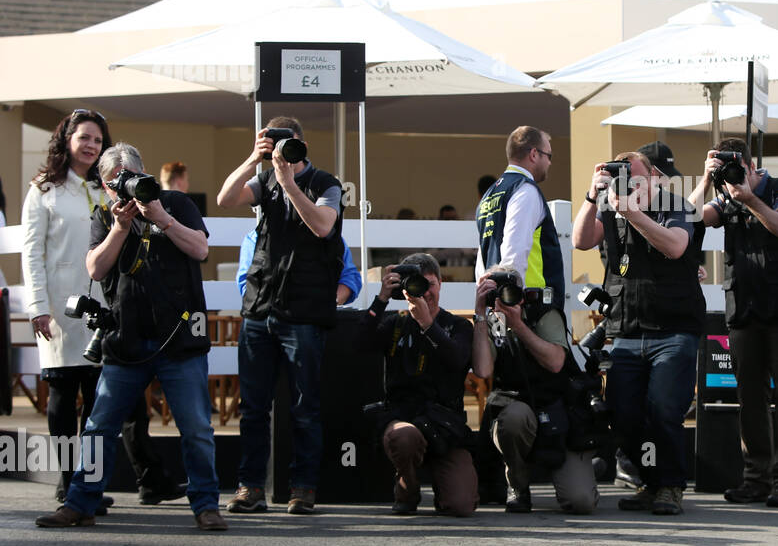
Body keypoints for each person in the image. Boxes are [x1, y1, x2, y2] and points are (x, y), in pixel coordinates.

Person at [36, 144, 225, 530]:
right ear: (105, 187)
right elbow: (96, 268)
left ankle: (206, 505)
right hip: (126, 339)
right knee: (98, 427)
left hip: (179, 339)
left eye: (131, 179)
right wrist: (120, 228)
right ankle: (81, 502)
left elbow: (201, 248)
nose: (123, 188)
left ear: (145, 174)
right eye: (114, 183)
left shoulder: (176, 203)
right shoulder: (105, 216)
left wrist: (161, 217)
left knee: (196, 428)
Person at [20, 109, 184, 508]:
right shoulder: (44, 189)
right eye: (84, 137)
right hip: (62, 307)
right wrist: (38, 306)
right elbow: (31, 252)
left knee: (102, 401)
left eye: (97, 139)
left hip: (109, 307)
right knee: (62, 395)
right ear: (67, 140)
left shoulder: (111, 185)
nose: (91, 145)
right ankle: (67, 483)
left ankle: (90, 485)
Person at [217, 116, 344, 515]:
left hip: (304, 312)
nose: (282, 152)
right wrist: (252, 159)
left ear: (302, 145)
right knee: (253, 408)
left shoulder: (325, 184)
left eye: (288, 144)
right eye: (274, 144)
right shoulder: (263, 180)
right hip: (261, 306)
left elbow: (323, 226)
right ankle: (250, 487)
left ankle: (303, 488)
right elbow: (225, 199)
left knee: (304, 406)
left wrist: (289, 183)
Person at [573, 151, 705, 515]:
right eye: (622, 176)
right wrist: (591, 195)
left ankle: (671, 486)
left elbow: (676, 246)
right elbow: (581, 240)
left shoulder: (676, 207)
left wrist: (632, 213)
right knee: (623, 413)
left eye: (636, 177)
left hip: (674, 329)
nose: (629, 183)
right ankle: (650, 481)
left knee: (663, 409)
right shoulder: (609, 207)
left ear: (654, 177)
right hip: (627, 330)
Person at [688, 138, 778, 508]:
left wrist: (750, 200)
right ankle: (757, 479)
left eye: (735, 168)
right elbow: (689, 219)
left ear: (751, 166)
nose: (732, 176)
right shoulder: (725, 195)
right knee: (750, 399)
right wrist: (705, 181)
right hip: (744, 311)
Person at [471, 265, 599, 514]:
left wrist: (518, 325)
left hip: (559, 412)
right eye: (496, 294)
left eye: (510, 292)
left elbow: (555, 363)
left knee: (580, 502)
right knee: (513, 418)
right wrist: (480, 314)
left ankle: (587, 469)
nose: (505, 299)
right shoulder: (494, 320)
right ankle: (518, 486)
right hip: (519, 410)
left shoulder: (543, 312)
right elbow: (483, 370)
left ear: (522, 293)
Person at [357, 253, 477, 515]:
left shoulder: (458, 326)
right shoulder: (396, 325)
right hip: (405, 421)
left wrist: (428, 324)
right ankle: (407, 487)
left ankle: (440, 482)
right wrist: (382, 298)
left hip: (444, 427)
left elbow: (457, 360)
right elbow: (360, 343)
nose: (424, 292)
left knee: (460, 506)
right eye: (416, 284)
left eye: (429, 284)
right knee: (404, 436)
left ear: (441, 284)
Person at [474, 126, 564, 310]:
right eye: (549, 156)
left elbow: (482, 257)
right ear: (534, 154)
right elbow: (515, 251)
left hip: (498, 301)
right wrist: (509, 300)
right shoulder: (525, 190)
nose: (549, 163)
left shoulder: (489, 195)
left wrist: (490, 302)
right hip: (528, 305)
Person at [237, 228, 362, 306]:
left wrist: (328, 303)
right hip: (269, 319)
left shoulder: (329, 238)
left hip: (315, 321)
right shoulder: (255, 238)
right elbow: (247, 285)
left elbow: (350, 278)